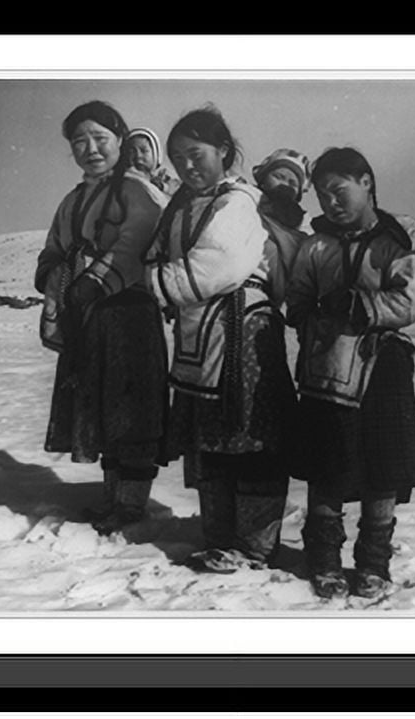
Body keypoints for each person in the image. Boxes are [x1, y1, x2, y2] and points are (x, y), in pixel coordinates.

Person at [146, 106, 296, 573]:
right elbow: (154, 253)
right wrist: (157, 274)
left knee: (248, 434)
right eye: (176, 158)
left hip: (242, 337)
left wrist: (155, 282)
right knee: (210, 437)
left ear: (224, 152)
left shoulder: (237, 203)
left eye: (195, 154)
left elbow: (222, 265)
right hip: (201, 334)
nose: (186, 166)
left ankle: (254, 544)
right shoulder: (180, 206)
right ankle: (219, 535)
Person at [285, 146, 415, 600]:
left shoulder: (395, 244)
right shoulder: (316, 247)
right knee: (327, 466)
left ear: (366, 182)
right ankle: (324, 560)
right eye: (322, 194)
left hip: (382, 367)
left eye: (338, 189)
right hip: (327, 369)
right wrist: (312, 314)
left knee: (382, 470)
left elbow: (410, 302)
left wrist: (362, 306)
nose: (330, 202)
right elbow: (298, 299)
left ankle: (373, 564)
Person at [34, 100, 170, 535]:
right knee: (102, 407)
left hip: (127, 314)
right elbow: (53, 247)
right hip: (88, 318)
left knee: (130, 408)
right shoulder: (74, 199)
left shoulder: (135, 189)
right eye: (79, 141)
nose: (90, 149)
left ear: (120, 140)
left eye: (100, 139)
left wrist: (95, 278)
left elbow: (136, 241)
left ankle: (131, 505)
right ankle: (113, 498)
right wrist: (55, 271)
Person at [252, 148, 312, 305]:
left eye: (292, 183)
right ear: (263, 179)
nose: (285, 185)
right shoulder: (246, 199)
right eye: (279, 177)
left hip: (268, 298)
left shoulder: (303, 223)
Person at [125, 127, 181, 196]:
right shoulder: (129, 178)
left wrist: (164, 187)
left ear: (156, 153)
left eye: (144, 151)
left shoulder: (166, 174)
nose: (138, 156)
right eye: (132, 151)